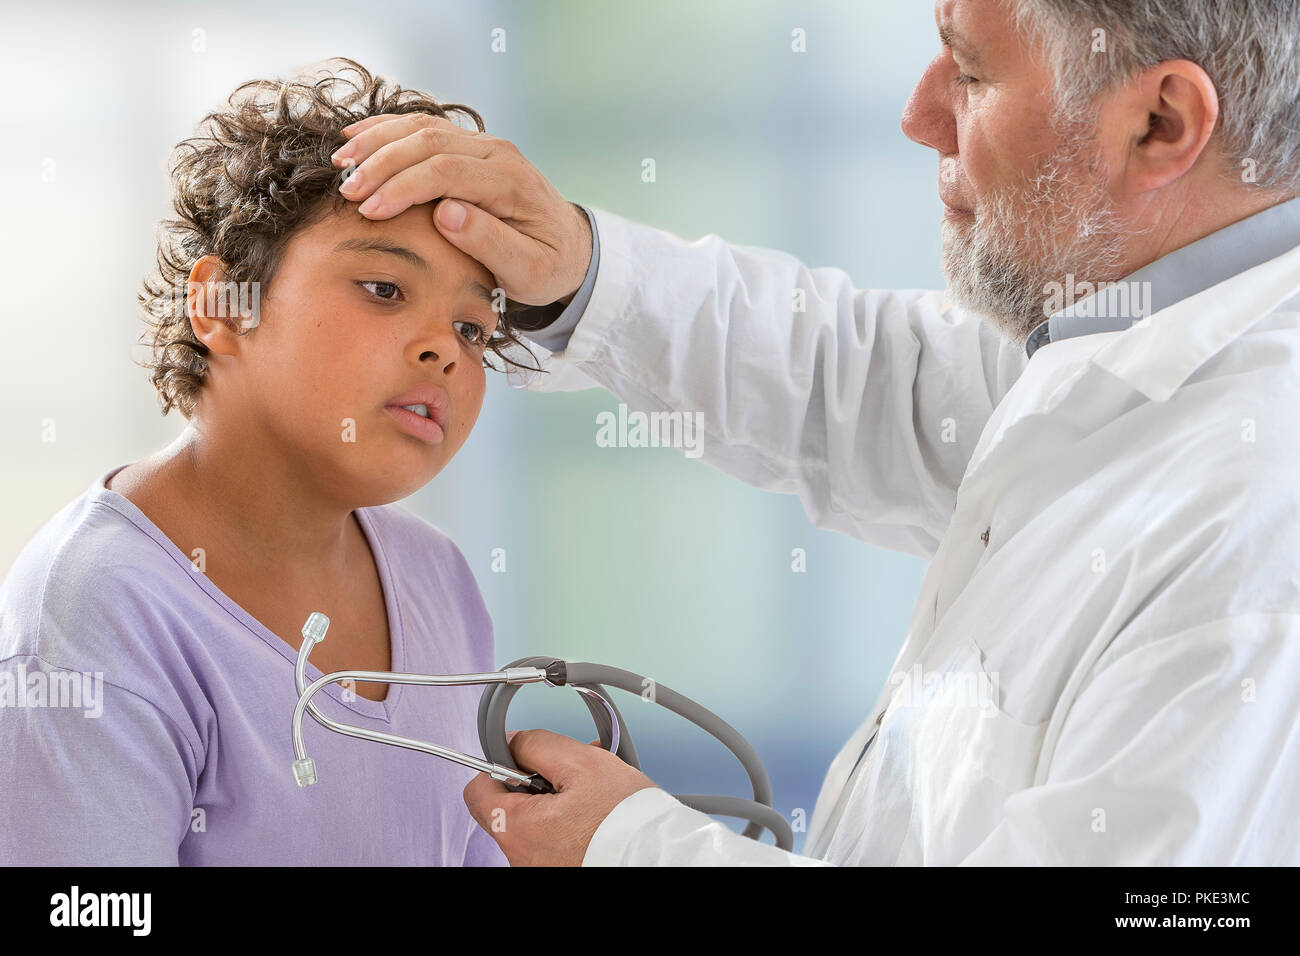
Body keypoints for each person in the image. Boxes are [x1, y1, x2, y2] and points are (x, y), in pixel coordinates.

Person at [331, 0, 1300, 865]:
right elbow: (865, 379)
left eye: (968, 74)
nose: (919, 114)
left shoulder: (1255, 519)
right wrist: (583, 273)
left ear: (1159, 122)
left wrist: (632, 848)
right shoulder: (1128, 334)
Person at [0, 59, 541, 865]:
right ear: (222, 304)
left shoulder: (440, 581)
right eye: (385, 289)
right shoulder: (95, 613)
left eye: (472, 328)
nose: (445, 350)